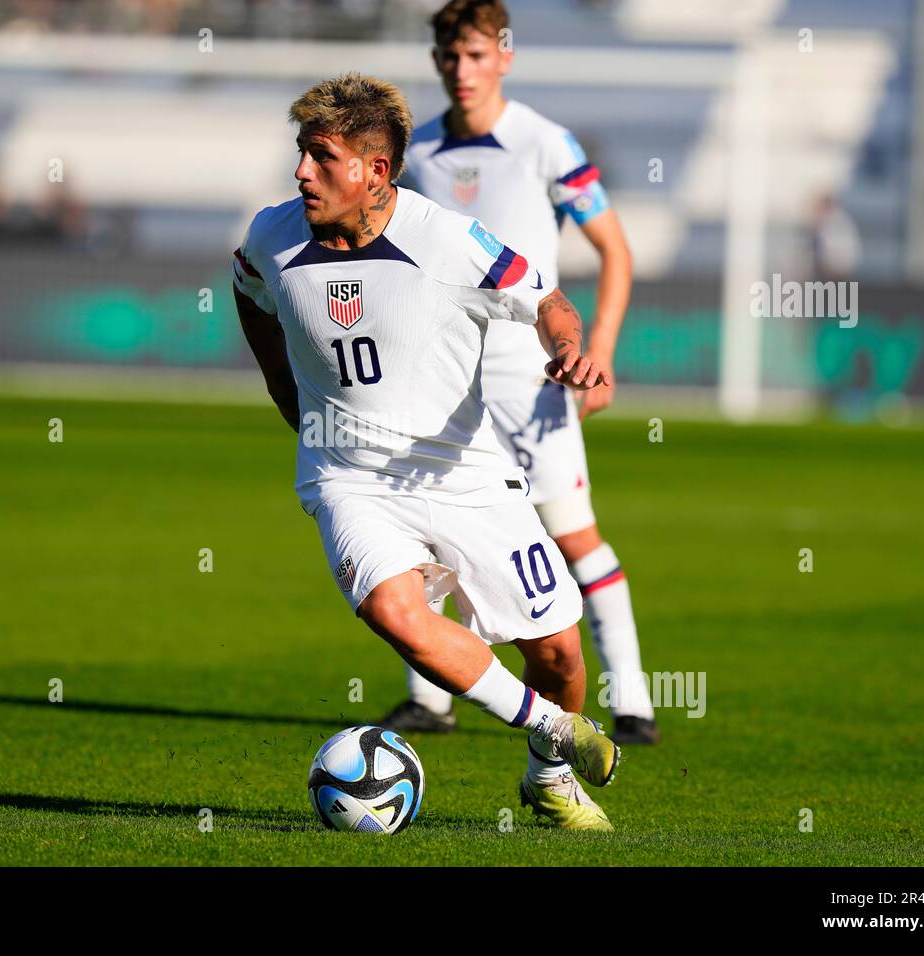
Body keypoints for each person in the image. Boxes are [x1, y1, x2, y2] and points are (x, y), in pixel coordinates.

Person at [232, 72, 621, 830]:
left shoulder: (445, 240)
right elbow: (248, 291)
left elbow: (545, 300)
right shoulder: (271, 236)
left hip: (466, 475)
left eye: (320, 156)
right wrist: (285, 386)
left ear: (375, 171)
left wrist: (571, 349)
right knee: (396, 611)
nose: (301, 173)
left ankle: (548, 780)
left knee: (561, 656)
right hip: (349, 479)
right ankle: (551, 729)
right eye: (300, 155)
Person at [384, 0, 659, 745]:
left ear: (503, 56)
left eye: (477, 55)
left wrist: (595, 349)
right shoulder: (418, 151)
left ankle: (631, 700)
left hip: (531, 378)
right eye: (450, 56)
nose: (462, 70)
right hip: (442, 380)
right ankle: (429, 701)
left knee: (574, 537)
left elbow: (616, 251)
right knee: (425, 536)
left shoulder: (546, 144)